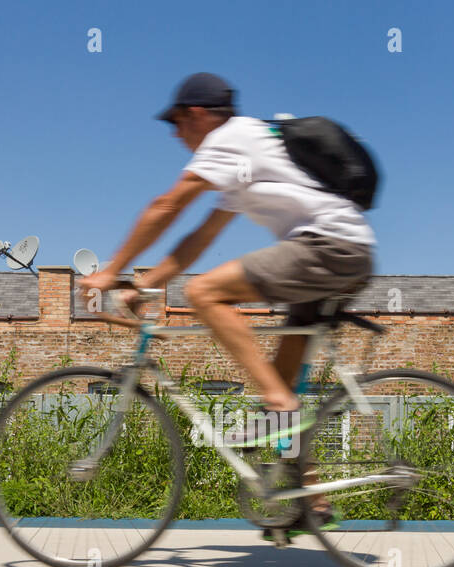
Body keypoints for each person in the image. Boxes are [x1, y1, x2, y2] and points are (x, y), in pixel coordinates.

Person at [77, 72, 377, 534]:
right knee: (280, 384)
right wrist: (146, 284)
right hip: (341, 252)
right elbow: (201, 236)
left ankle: (278, 406)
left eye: (175, 123)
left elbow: (167, 205)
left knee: (204, 293)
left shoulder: (230, 137)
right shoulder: (248, 151)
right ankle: (310, 502)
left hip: (328, 248)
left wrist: (112, 268)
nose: (176, 135)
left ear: (196, 114)